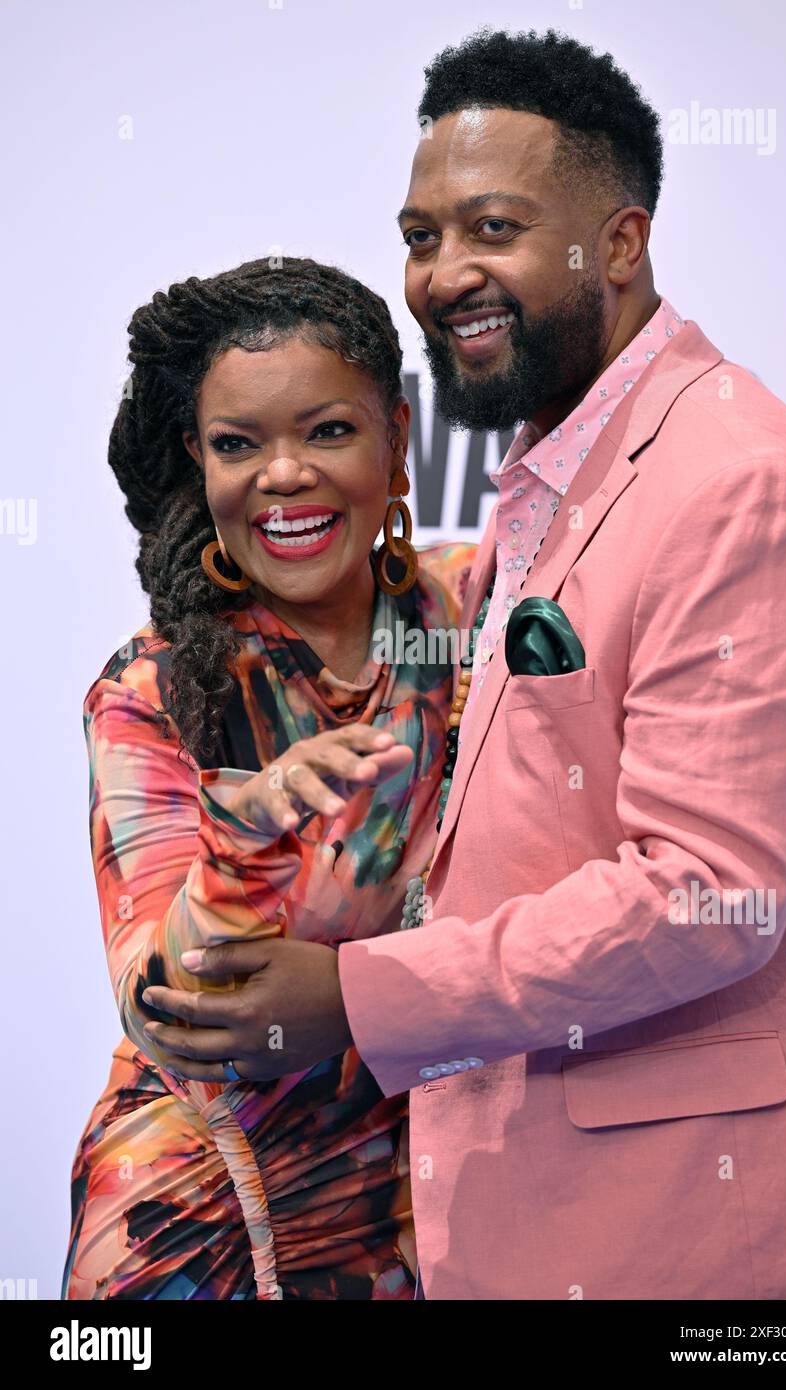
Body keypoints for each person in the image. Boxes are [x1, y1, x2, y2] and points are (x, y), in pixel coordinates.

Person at [144, 32, 786, 1300]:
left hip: (683, 1238)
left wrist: (361, 995)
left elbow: (708, 888)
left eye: (492, 229)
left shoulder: (735, 483)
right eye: (422, 237)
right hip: (508, 1214)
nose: (443, 275)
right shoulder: (558, 465)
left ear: (621, 244)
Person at [60, 255, 473, 1300]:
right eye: (239, 444)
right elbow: (172, 1009)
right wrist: (240, 839)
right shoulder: (153, 686)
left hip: (417, 1208)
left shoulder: (471, 616)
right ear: (199, 461)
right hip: (196, 1224)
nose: (282, 475)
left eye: (327, 430)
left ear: (397, 443)